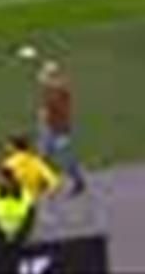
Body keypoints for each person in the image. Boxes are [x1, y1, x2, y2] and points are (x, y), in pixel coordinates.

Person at [35, 60, 87, 195]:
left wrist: (45, 115)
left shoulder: (60, 90)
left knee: (64, 157)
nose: (43, 79)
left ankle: (78, 181)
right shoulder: (50, 89)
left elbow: (57, 109)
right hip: (49, 127)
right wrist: (43, 119)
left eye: (47, 75)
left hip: (60, 129)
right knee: (43, 155)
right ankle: (45, 182)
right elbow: (46, 107)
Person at [0, 166, 35, 274]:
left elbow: (29, 220)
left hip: (16, 241)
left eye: (2, 179)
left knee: (12, 267)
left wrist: (20, 236)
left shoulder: (25, 196)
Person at [0, 133, 61, 202]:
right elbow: (54, 181)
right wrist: (50, 192)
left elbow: (4, 176)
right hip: (32, 199)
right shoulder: (37, 161)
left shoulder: (12, 161)